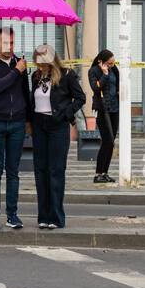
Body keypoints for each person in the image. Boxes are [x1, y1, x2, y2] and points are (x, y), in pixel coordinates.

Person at [0, 26, 32, 230]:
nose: (9, 47)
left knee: (13, 171)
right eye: (5, 43)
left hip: (17, 122)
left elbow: (25, 92)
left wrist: (28, 120)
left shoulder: (19, 62)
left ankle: (12, 214)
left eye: (11, 43)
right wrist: (16, 71)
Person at [29, 45, 85, 230]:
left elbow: (80, 98)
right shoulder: (35, 77)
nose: (40, 62)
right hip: (39, 126)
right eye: (38, 58)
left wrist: (64, 114)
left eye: (43, 58)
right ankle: (43, 216)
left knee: (56, 170)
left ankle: (56, 217)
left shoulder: (67, 74)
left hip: (57, 127)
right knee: (40, 171)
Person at [87, 49, 120, 183]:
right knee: (106, 141)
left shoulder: (114, 70)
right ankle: (98, 174)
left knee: (111, 142)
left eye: (113, 63)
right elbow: (95, 88)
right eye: (109, 63)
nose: (112, 65)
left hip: (114, 108)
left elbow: (117, 85)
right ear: (101, 61)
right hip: (103, 109)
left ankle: (105, 172)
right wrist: (105, 74)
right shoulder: (94, 71)